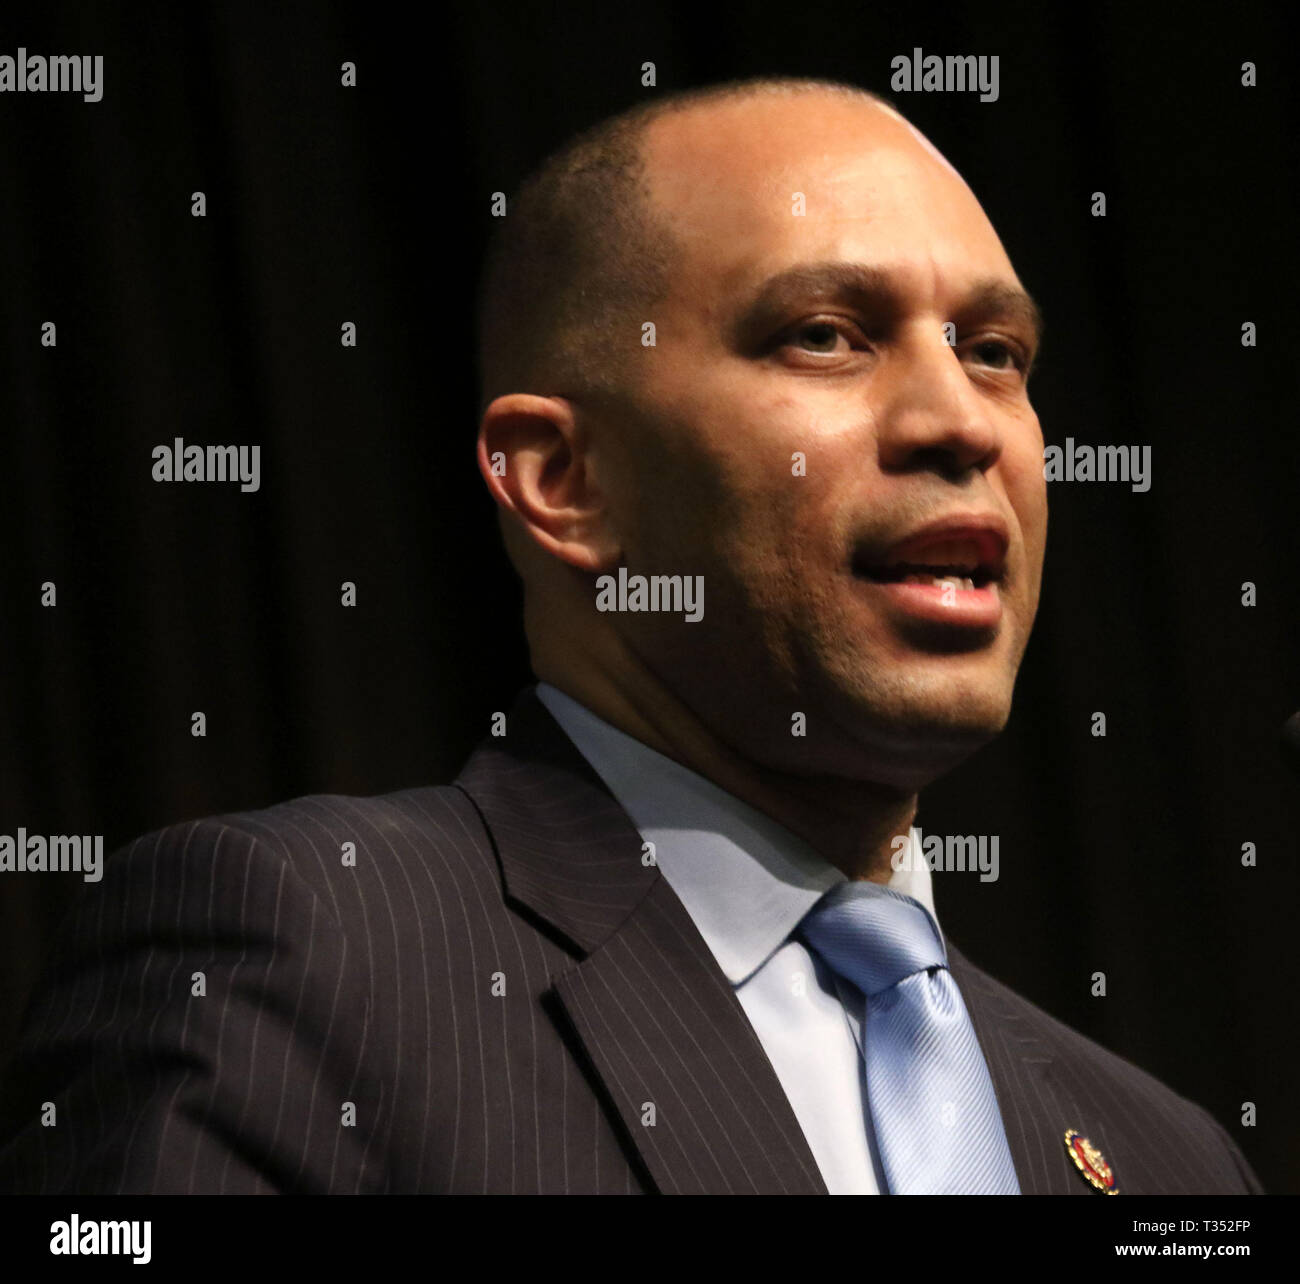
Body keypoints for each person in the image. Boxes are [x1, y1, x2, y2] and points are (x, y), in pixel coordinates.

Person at [0, 77, 1262, 1195]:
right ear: (563, 480)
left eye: (993, 352)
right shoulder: (307, 951)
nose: (962, 422)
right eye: (823, 335)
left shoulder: (1164, 1156)